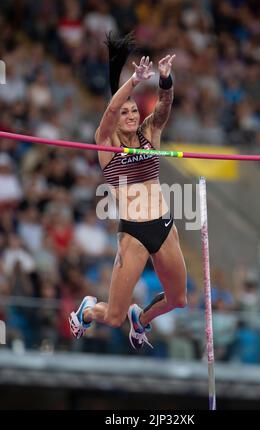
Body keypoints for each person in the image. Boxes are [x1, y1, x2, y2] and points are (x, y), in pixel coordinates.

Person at [69, 33, 187, 349]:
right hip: (133, 233)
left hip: (163, 225)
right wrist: (133, 81)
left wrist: (165, 80)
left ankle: (142, 319)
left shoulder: (149, 132)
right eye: (126, 112)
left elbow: (164, 107)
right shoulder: (105, 142)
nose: (132, 116)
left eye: (134, 111)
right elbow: (109, 113)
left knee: (178, 299)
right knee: (112, 317)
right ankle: (88, 310)